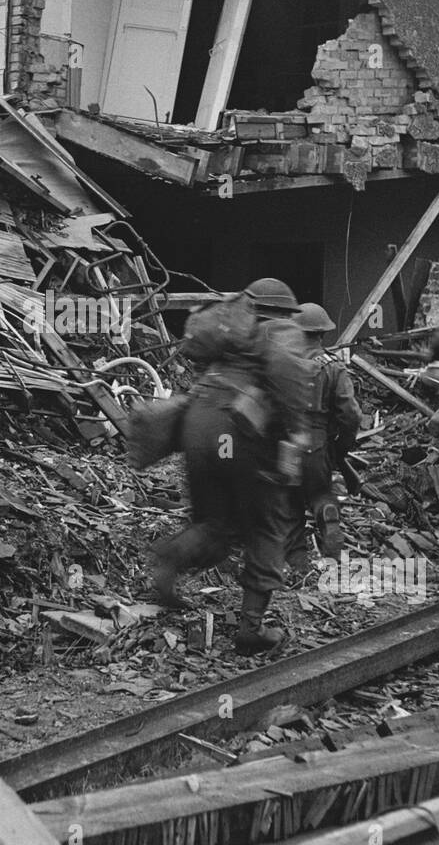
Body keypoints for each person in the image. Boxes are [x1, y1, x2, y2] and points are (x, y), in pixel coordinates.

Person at [150, 277, 312, 655]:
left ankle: (172, 554)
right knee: (266, 528)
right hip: (236, 433)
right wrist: (297, 437)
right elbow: (290, 392)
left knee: (216, 522)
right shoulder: (283, 335)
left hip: (198, 423)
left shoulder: (232, 337)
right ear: (287, 312)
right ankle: (251, 630)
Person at [282, 303, 361, 568]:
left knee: (289, 505)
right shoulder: (333, 367)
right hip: (317, 444)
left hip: (286, 445)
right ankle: (326, 513)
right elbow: (351, 414)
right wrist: (341, 448)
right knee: (319, 493)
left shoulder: (281, 365)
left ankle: (298, 565)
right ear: (322, 334)